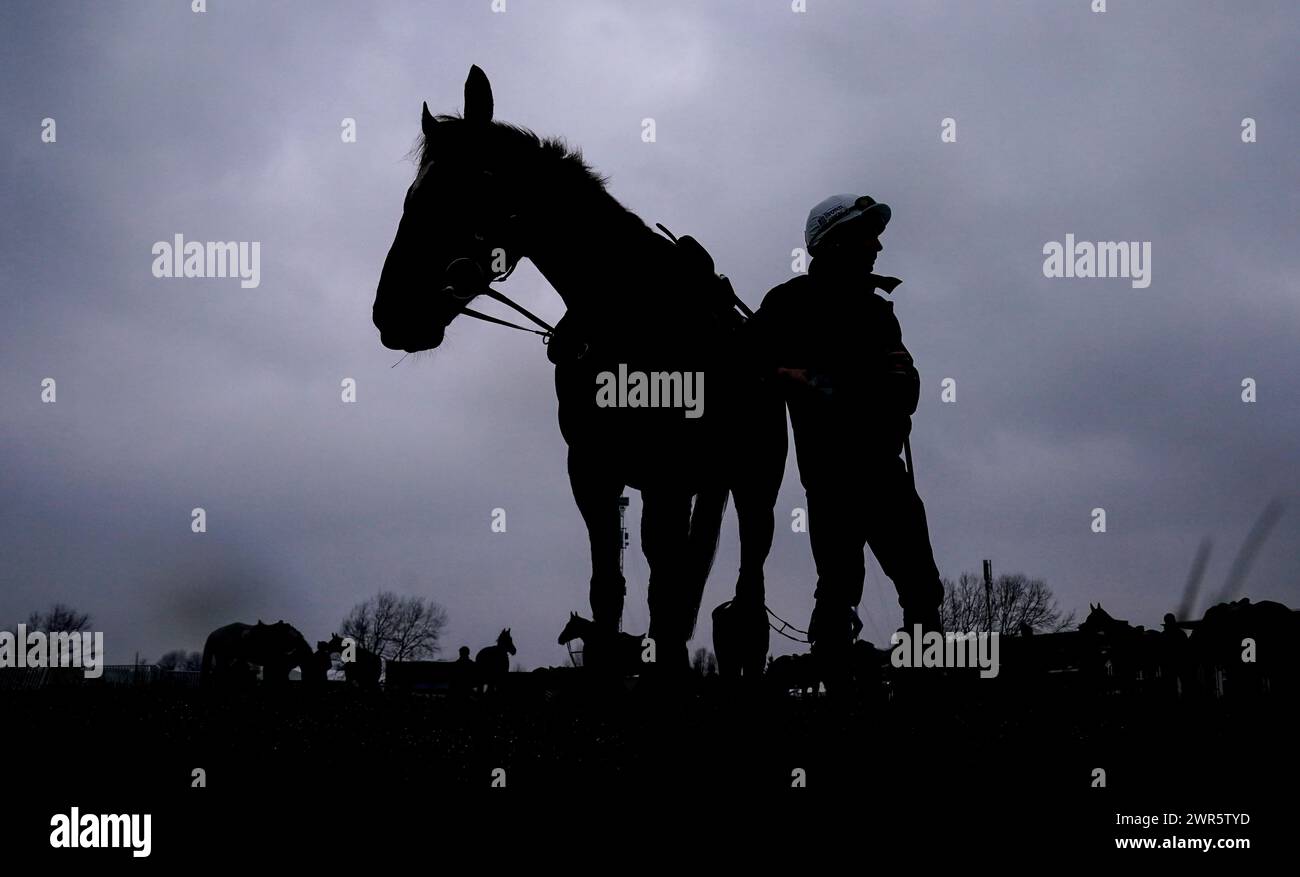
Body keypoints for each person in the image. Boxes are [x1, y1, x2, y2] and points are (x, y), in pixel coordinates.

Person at [747, 193, 945, 676]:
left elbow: (906, 386)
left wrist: (824, 381)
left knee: (922, 589)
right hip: (832, 479)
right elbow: (744, 363)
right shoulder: (787, 304)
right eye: (866, 234)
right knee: (838, 590)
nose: (878, 245)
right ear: (834, 243)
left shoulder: (878, 312)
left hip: (884, 471)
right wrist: (805, 379)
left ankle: (929, 699)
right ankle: (839, 704)